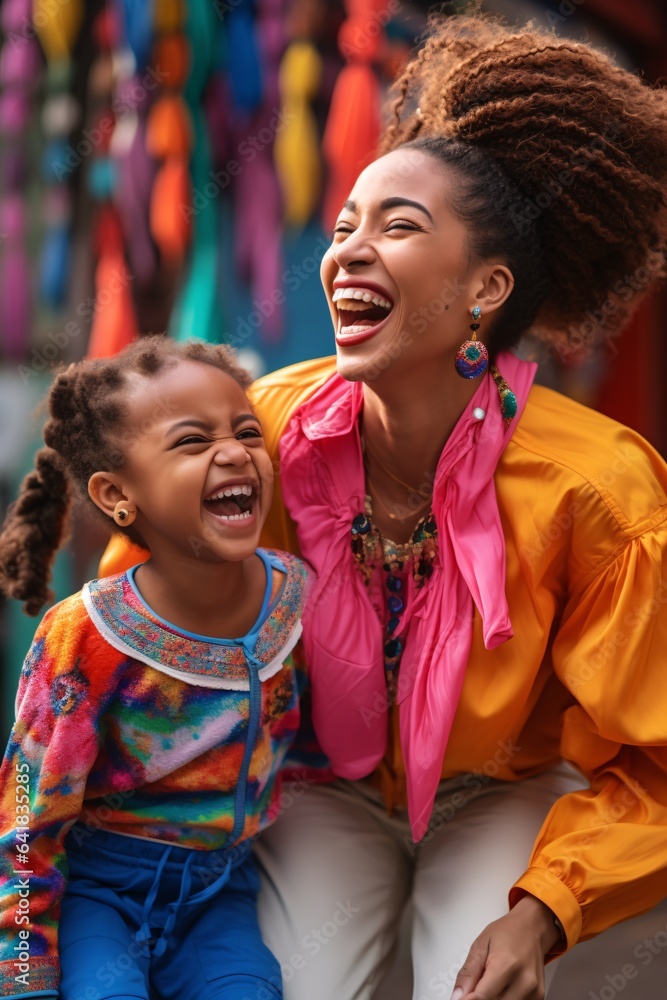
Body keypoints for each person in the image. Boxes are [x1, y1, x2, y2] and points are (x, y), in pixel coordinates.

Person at [98, 11, 667, 1000]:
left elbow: (658, 755)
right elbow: (128, 649)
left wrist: (546, 907)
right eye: (344, 225)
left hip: (507, 788)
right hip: (318, 786)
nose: (347, 253)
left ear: (485, 288)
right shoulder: (257, 435)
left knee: (476, 984)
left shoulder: (601, 487)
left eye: (396, 228)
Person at [0, 336, 312, 1000]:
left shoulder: (293, 597)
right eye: (192, 441)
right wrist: (23, 971)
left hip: (220, 893)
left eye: (246, 431)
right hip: (99, 891)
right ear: (118, 495)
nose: (233, 452)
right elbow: (26, 811)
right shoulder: (85, 635)